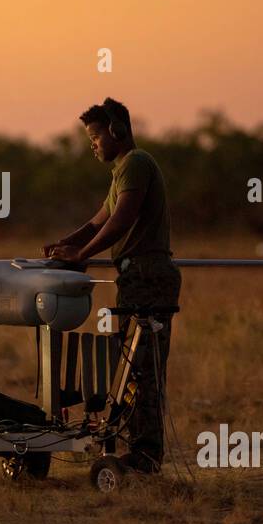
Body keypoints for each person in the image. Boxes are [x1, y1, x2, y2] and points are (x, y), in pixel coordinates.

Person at [44, 97, 181, 473]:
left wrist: (81, 254)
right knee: (131, 367)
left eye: (95, 136)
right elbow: (97, 221)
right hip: (134, 276)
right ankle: (137, 450)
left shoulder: (136, 163)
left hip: (148, 276)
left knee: (143, 368)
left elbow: (120, 221)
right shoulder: (121, 171)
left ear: (117, 132)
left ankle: (146, 455)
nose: (92, 145)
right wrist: (66, 243)